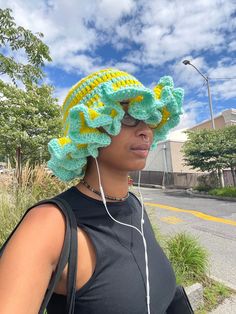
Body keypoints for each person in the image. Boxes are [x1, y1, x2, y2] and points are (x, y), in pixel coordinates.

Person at [0, 68, 184, 313]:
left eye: (148, 118)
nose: (146, 131)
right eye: (128, 116)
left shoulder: (134, 205)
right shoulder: (49, 225)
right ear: (89, 128)